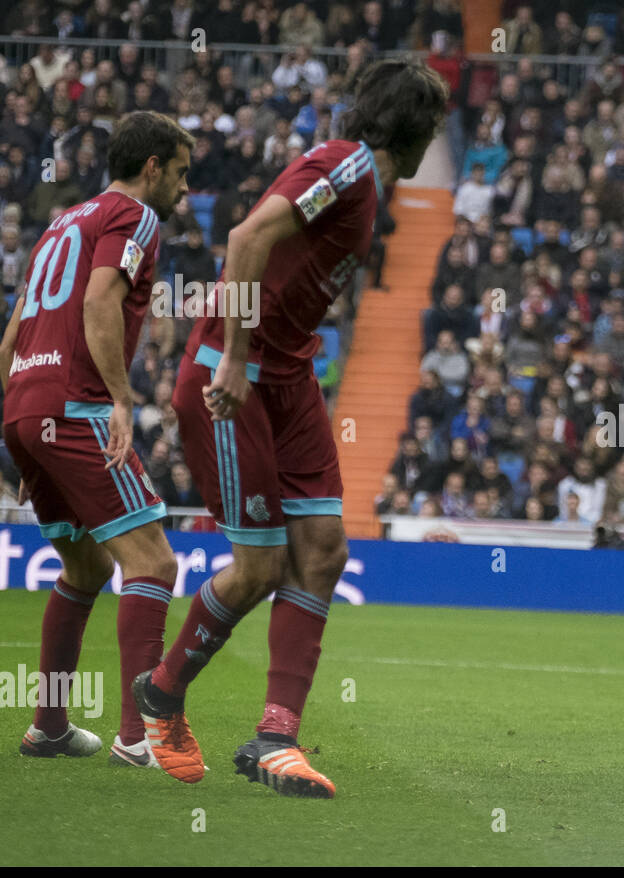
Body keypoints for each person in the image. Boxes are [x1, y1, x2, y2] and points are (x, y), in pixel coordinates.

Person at [134, 60, 450, 798]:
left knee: (325, 550)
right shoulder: (347, 166)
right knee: (260, 568)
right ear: (418, 127)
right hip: (232, 373)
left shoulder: (369, 186)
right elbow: (245, 239)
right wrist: (238, 357)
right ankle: (164, 690)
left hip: (290, 377)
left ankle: (276, 737)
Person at [0, 112, 192, 767]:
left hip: (27, 403)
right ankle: (138, 740)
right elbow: (99, 303)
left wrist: (21, 434)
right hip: (74, 403)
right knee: (154, 564)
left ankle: (49, 728)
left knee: (84, 567)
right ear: (152, 167)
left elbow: (14, 333)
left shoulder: (61, 223)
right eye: (182, 173)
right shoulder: (135, 217)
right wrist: (119, 397)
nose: (185, 190)